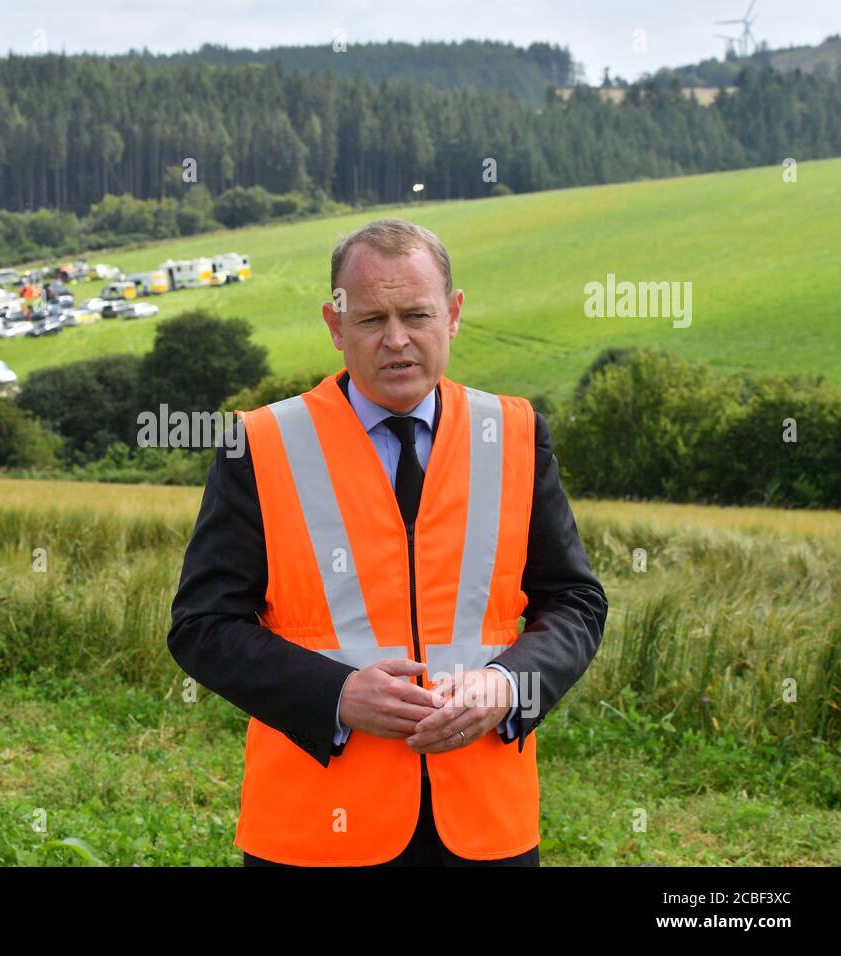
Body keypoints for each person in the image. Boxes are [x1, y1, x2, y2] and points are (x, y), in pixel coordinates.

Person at [167, 219, 608, 867]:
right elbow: (202, 627)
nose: (397, 340)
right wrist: (336, 696)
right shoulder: (260, 445)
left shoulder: (513, 434)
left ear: (453, 315)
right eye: (372, 319)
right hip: (315, 830)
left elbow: (574, 602)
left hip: (486, 826)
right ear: (334, 323)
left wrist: (508, 686)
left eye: (417, 314)